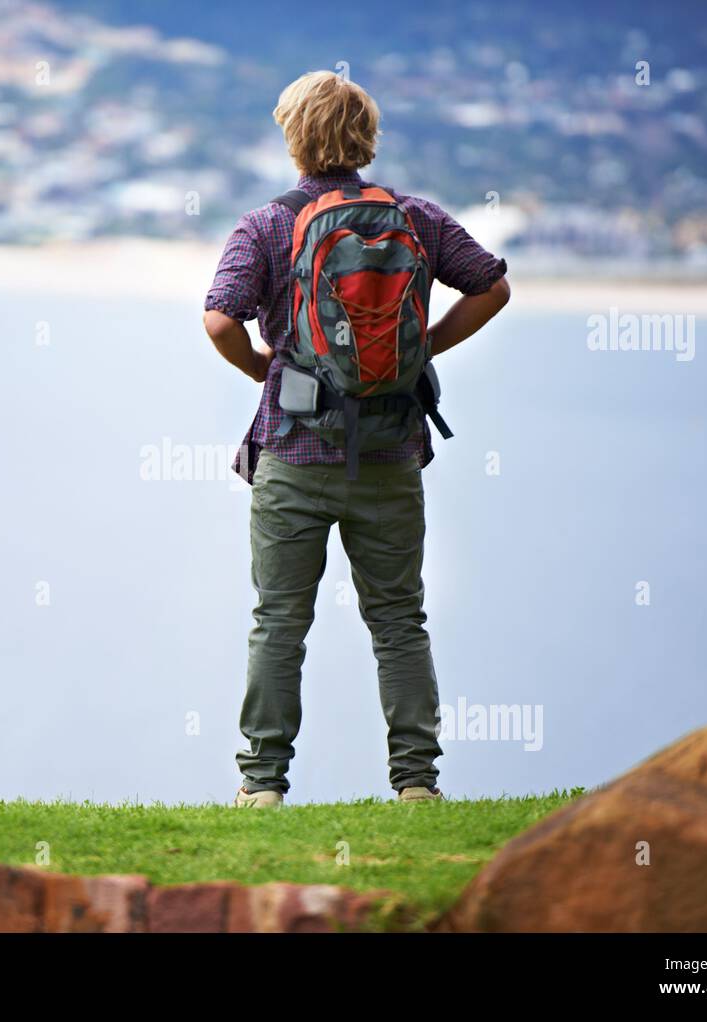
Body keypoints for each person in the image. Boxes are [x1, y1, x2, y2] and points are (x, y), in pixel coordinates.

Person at [202, 70, 510, 807]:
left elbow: (219, 319)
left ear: (293, 138)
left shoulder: (266, 226)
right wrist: (424, 349)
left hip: (293, 450)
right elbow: (492, 287)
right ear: (366, 138)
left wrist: (262, 369)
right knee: (399, 620)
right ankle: (417, 783)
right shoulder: (416, 217)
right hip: (390, 451)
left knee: (280, 622)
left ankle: (262, 785)